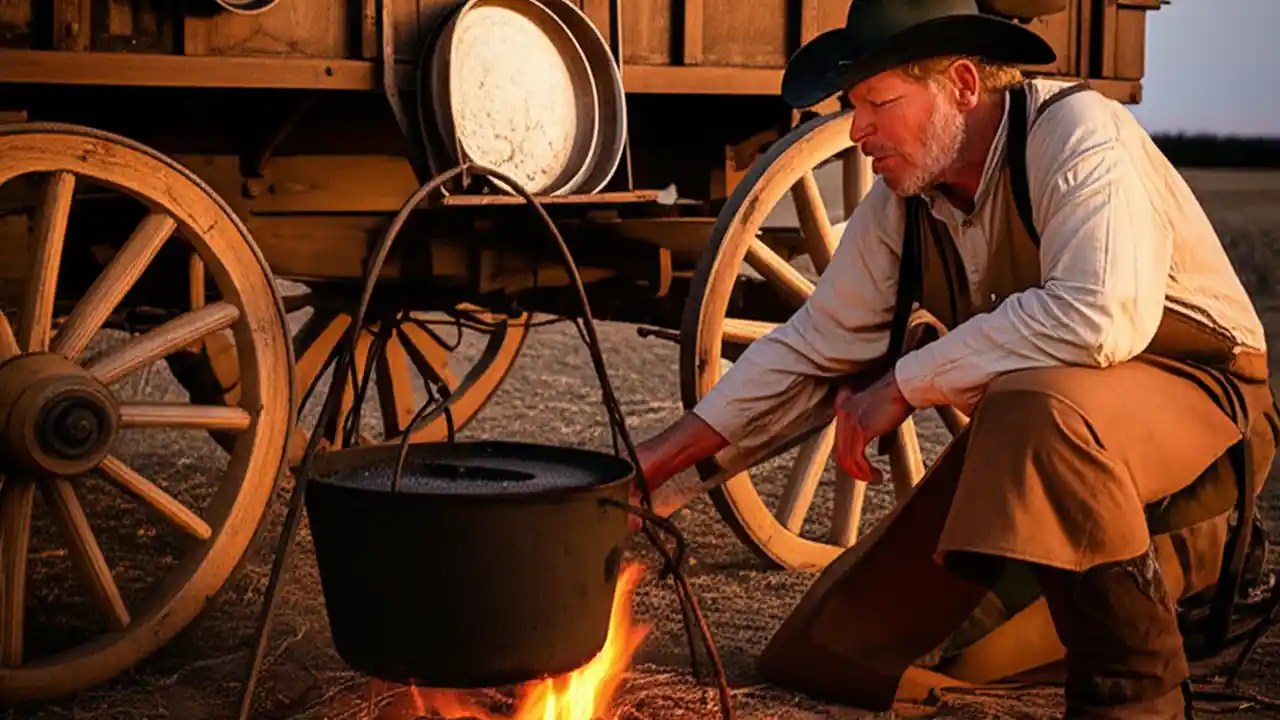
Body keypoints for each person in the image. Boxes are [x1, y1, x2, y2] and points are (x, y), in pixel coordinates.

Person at [633, 0, 1279, 717]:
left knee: (1033, 408)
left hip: (1204, 411)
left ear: (964, 86)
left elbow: (1101, 315)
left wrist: (907, 382)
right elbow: (814, 347)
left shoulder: (1081, 135)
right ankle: (1143, 587)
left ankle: (1141, 688)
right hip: (1035, 446)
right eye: (854, 106)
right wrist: (650, 471)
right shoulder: (904, 202)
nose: (858, 129)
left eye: (879, 102)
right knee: (827, 652)